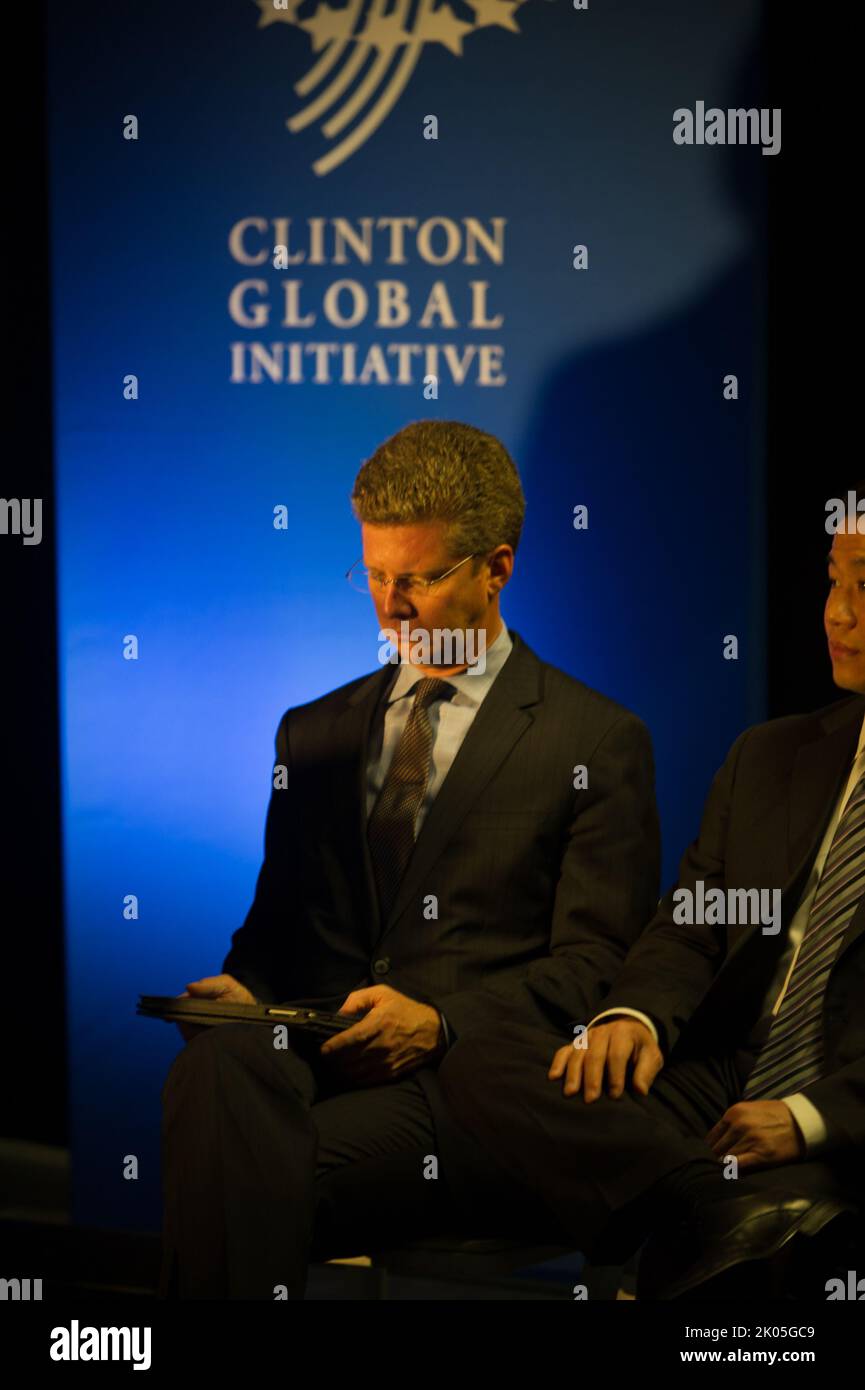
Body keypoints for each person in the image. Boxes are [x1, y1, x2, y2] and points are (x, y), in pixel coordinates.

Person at [157, 419, 660, 1298]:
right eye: (376, 577)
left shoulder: (594, 740)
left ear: (497, 568)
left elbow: (598, 964)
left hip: (461, 1083)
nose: (391, 609)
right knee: (216, 1066)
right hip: (307, 1055)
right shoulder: (312, 732)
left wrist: (440, 1021)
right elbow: (273, 938)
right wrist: (247, 995)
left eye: (419, 581)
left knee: (236, 1166)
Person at [436, 506, 865, 1299]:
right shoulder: (772, 756)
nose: (836, 614)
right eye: (832, 582)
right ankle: (700, 1202)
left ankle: (702, 1217)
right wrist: (630, 1018)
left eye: (863, 587)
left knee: (744, 1272)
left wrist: (811, 1117)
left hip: (841, 1103)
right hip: (719, 1071)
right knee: (484, 1053)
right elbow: (692, 926)